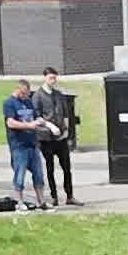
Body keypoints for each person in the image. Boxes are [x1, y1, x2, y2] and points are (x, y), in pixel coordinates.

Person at [0, 80, 48, 206]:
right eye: (24, 94)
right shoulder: (9, 103)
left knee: (39, 174)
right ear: (18, 90)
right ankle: (19, 202)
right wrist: (28, 125)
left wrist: (40, 121)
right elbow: (10, 123)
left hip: (32, 144)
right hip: (19, 145)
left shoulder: (28, 102)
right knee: (20, 175)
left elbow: (35, 116)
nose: (26, 96)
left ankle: (41, 201)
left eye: (27, 94)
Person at [37, 67, 79, 206]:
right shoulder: (38, 95)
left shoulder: (59, 95)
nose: (53, 80)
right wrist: (50, 125)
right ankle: (54, 196)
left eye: (55, 78)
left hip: (61, 137)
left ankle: (70, 195)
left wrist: (66, 130)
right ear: (45, 78)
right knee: (50, 168)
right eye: (50, 78)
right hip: (46, 137)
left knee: (66, 167)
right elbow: (37, 116)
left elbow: (66, 113)